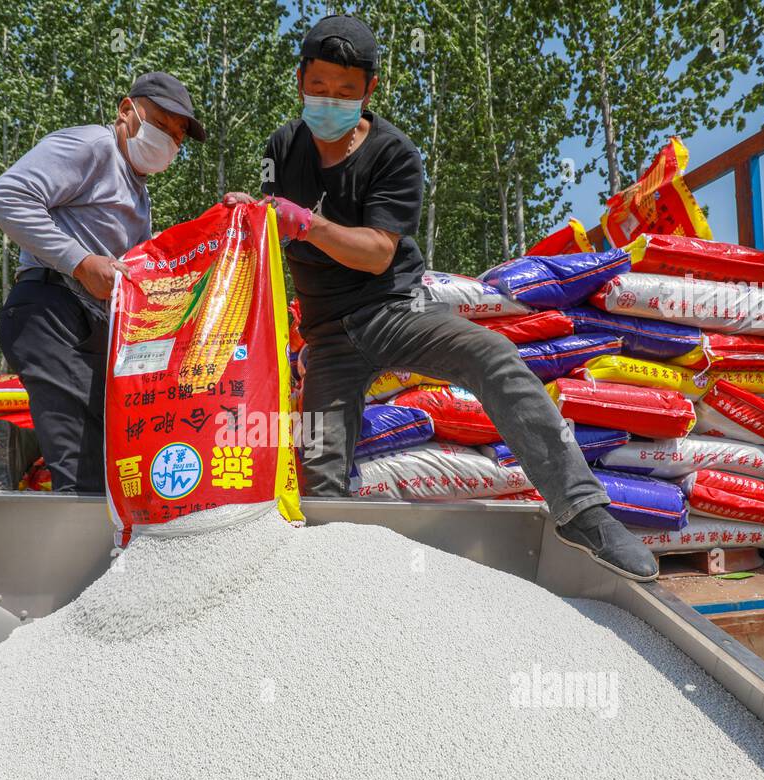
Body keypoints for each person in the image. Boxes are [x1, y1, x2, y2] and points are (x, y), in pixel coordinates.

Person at [224, 15, 657, 581]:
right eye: (319, 87)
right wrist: (245, 218)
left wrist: (305, 223)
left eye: (345, 92)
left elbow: (377, 253)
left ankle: (582, 510)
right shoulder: (282, 146)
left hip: (392, 311)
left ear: (369, 91)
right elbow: (269, 226)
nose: (329, 101)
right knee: (321, 467)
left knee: (493, 357)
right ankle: (327, 585)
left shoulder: (394, 154)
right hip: (327, 337)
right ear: (301, 79)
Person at [0, 72, 206, 491]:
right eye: (162, 125)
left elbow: (140, 262)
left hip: (91, 324)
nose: (169, 142)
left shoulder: (137, 190)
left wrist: (220, 228)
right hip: (51, 312)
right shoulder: (92, 146)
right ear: (126, 111)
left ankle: (24, 446)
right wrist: (81, 262)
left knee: (117, 444)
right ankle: (82, 548)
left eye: (178, 137)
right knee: (87, 475)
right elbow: (4, 197)